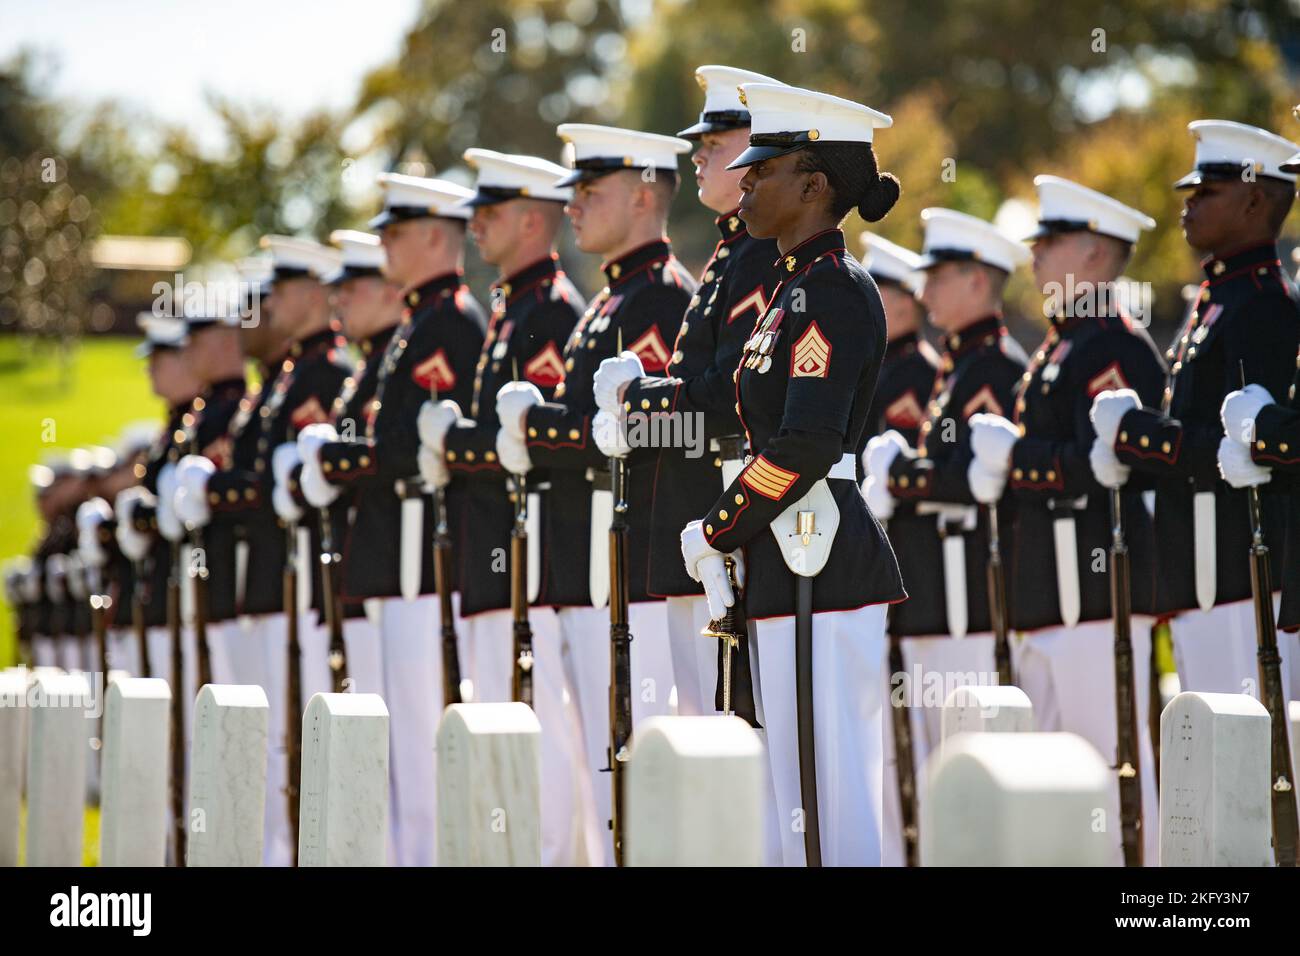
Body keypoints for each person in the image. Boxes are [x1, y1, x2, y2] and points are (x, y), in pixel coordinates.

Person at [679, 81, 905, 866]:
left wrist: (717, 527)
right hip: (787, 553)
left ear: (814, 186)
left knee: (828, 801)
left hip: (823, 556)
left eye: (763, 170)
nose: (744, 183)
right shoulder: (790, 290)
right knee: (789, 804)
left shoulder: (832, 293)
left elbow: (808, 443)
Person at [493, 122, 694, 865]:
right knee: (600, 769)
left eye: (590, 191)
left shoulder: (662, 301)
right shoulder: (609, 306)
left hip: (639, 571)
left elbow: (652, 435)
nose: (571, 205)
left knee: (638, 765)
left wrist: (538, 423)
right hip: (593, 570)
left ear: (645, 196)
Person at [966, 175, 1167, 864]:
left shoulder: (1113, 347)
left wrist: (1018, 457)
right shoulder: (1061, 347)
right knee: (1054, 772)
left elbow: (1116, 462)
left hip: (1096, 589)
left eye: (1049, 244)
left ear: (1094, 253)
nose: (1035, 259)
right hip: (1048, 593)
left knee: (1105, 762)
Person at [294, 174, 485, 867]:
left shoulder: (447, 324)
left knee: (419, 741)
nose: (383, 245)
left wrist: (335, 457)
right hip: (395, 564)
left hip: (421, 566)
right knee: (397, 748)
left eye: (394, 233)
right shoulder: (418, 325)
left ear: (436, 237)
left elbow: (405, 450)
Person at [416, 148, 599, 866]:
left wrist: (457, 439)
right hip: (498, 553)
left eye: (489, 213)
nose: (475, 226)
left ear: (532, 219)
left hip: (536, 556)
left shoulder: (549, 312)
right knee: (505, 732)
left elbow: (543, 443)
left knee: (543, 739)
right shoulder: (512, 307)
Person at [591, 65, 783, 731]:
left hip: (727, 531)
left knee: (730, 750)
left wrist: (639, 404)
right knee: (705, 751)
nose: (699, 154)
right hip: (696, 534)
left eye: (717, 141)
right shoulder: (733, 254)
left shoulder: (760, 254)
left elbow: (730, 398)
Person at [1091, 120, 1300, 702]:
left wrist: (1135, 434)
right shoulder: (1218, 297)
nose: (1188, 205)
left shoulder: (1263, 304)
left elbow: (1249, 449)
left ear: (1255, 198)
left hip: (1244, 569)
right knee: (1207, 762)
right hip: (1200, 571)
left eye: (1207, 192)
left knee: (1255, 761)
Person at [862, 208, 1028, 853]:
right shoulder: (960, 366)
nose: (924, 290)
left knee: (968, 755)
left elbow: (973, 478)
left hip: (961, 599)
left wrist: (902, 476)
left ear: (979, 281)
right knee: (936, 763)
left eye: (938, 277)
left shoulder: (986, 366)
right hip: (934, 597)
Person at [200, 235, 351, 866]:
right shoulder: (288, 381)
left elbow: (276, 488)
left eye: (277, 293)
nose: (260, 310)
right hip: (264, 580)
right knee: (269, 737)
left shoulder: (327, 376)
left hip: (309, 583)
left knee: (300, 733)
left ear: (315, 294)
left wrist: (220, 490)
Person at [858, 233, 940, 456]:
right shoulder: (884, 360)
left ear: (904, 304)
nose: (863, 303)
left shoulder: (914, 371)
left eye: (873, 293)